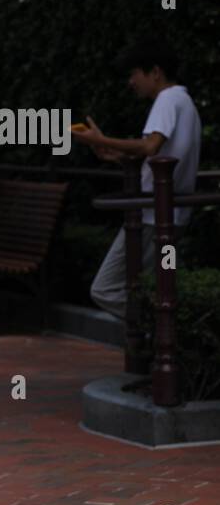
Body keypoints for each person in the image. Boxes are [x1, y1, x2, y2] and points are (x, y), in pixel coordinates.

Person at [72, 38, 201, 319]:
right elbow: (160, 157)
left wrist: (101, 138)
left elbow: (150, 146)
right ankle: (163, 336)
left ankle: (165, 329)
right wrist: (113, 154)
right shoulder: (185, 101)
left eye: (134, 74)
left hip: (153, 216)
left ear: (155, 72)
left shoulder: (167, 99)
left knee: (104, 288)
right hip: (168, 215)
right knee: (151, 286)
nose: (131, 82)